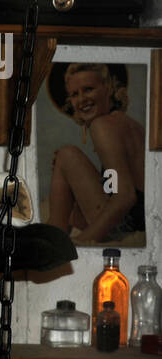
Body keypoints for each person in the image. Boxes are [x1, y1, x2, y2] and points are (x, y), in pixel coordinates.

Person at [47, 62, 147, 243]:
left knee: (66, 154)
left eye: (88, 89)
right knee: (67, 170)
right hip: (139, 218)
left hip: (127, 224)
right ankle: (55, 234)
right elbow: (120, 184)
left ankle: (54, 239)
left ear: (108, 88)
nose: (82, 99)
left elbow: (125, 197)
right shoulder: (126, 123)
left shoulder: (102, 126)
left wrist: (81, 241)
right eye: (75, 94)